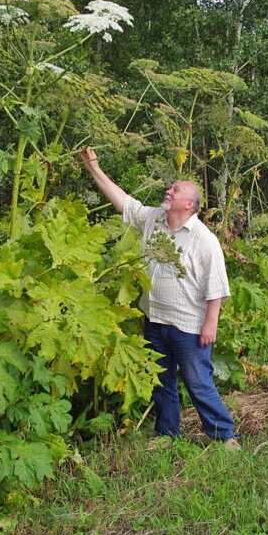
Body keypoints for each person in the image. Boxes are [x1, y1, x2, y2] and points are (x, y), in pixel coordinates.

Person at [81, 147, 240, 451]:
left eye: (175, 189)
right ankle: (168, 433)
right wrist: (95, 169)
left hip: (188, 327)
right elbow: (124, 202)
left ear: (189, 204)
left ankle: (224, 436)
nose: (168, 190)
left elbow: (216, 287)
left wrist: (211, 324)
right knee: (160, 381)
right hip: (154, 320)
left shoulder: (204, 240)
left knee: (198, 383)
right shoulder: (154, 219)